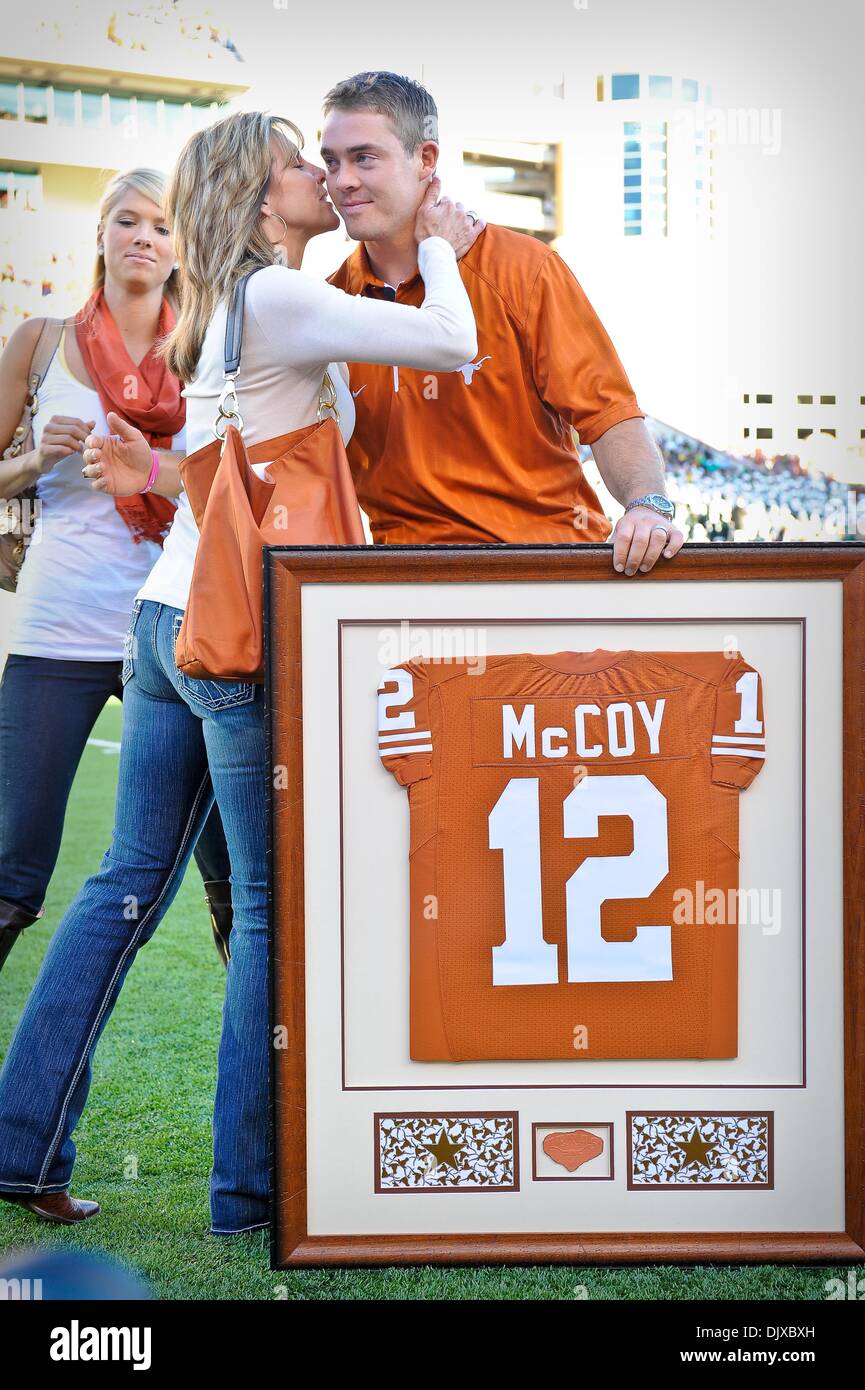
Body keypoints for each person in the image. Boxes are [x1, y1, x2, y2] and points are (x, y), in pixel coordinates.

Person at [0, 110, 477, 1233]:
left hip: (168, 619)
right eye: (299, 165)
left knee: (121, 885)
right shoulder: (270, 295)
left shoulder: (213, 307)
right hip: (242, 630)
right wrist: (445, 238)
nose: (322, 175)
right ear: (260, 197)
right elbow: (452, 340)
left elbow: (223, 461)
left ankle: (22, 1144)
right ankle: (250, 1192)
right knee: (269, 907)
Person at [0, 167, 235, 973]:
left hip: (178, 624)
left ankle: (272, 1084)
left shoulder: (209, 348)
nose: (144, 237)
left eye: (163, 226)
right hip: (59, 626)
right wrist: (34, 458)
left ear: (181, 248)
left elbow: (237, 476)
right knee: (9, 872)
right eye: (128, 221)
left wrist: (159, 467)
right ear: (99, 233)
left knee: (232, 875)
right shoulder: (39, 341)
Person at [321, 70, 686, 574]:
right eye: (331, 162)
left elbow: (607, 412)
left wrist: (648, 506)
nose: (342, 180)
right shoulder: (330, 301)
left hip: (545, 565)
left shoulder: (524, 268)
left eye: (364, 157)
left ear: (425, 159)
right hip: (404, 585)